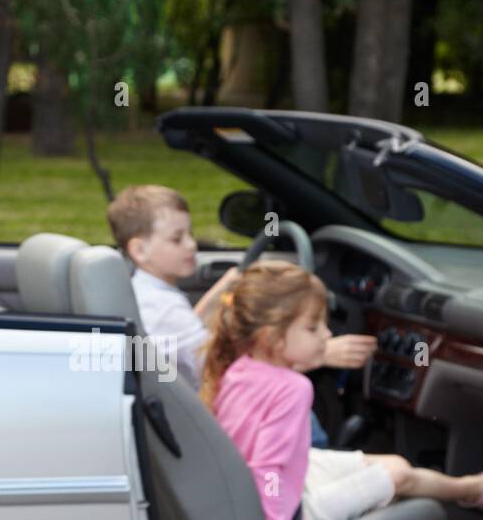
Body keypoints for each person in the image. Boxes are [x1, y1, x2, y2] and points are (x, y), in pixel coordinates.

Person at [201, 262, 483, 520]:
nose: (326, 335)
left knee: (395, 467)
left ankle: (471, 489)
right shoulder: (294, 388)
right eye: (312, 327)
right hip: (285, 512)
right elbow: (269, 472)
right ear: (271, 339)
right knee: (396, 478)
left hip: (257, 497)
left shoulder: (240, 369)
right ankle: (475, 490)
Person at [106, 183, 375, 441]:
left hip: (190, 411)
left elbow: (187, 335)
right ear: (140, 250)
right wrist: (324, 353)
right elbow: (223, 365)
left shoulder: (147, 292)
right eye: (177, 239)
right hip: (206, 420)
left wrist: (224, 290)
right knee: (298, 411)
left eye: (190, 234)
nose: (191, 245)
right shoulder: (164, 309)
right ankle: (315, 458)